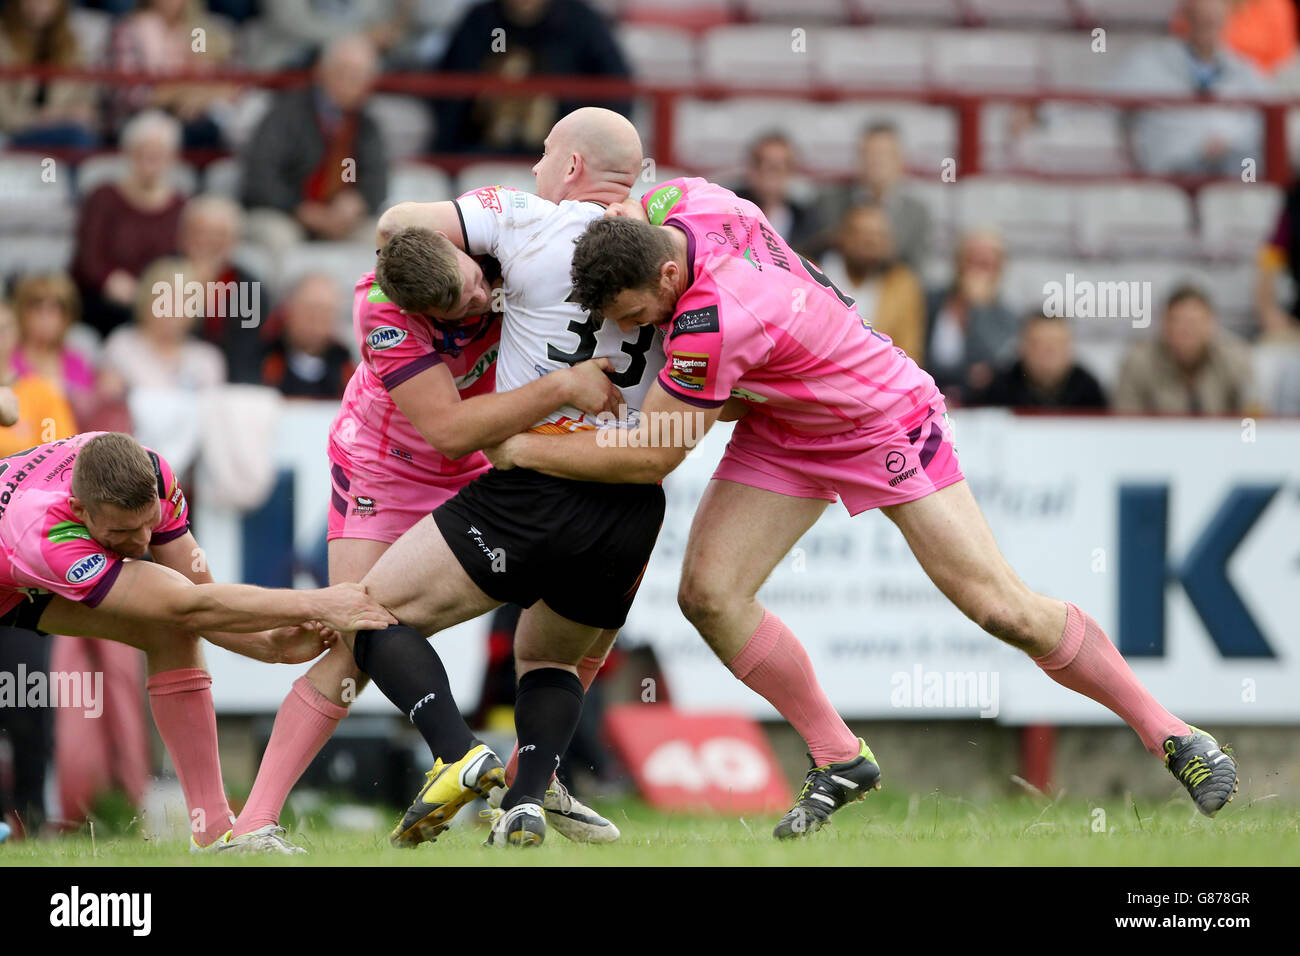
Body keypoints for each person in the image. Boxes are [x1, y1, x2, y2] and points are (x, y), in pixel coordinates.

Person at [490, 177, 1241, 838]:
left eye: (643, 308)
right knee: (710, 597)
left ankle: (1173, 734)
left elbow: (655, 453)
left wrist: (520, 448)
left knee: (998, 607)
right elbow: (639, 200)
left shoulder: (714, 321)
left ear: (666, 270)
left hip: (878, 414)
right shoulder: (684, 202)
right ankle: (840, 757)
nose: (646, 324)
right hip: (786, 420)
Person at [227, 225, 625, 852]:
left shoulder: (504, 250)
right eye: (454, 310)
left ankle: (527, 777)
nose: (474, 306)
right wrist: (561, 388)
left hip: (482, 465)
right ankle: (258, 821)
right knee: (356, 628)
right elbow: (448, 430)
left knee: (576, 618)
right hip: (385, 469)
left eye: (474, 291)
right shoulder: (381, 309)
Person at [335, 106, 665, 848]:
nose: (538, 168)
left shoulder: (523, 217)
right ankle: (524, 797)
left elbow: (394, 224)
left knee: (368, 612)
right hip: (631, 505)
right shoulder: (676, 252)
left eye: (546, 153)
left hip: (531, 485)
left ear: (572, 167)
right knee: (550, 657)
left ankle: (458, 751)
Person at [0, 430, 394, 848]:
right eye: (121, 532)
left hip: (17, 557)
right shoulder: (48, 535)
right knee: (169, 612)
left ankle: (214, 833)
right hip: (17, 548)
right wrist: (317, 604)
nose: (141, 543)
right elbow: (188, 605)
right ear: (82, 510)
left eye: (148, 523)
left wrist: (268, 644)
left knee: (169, 629)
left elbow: (199, 596)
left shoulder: (151, 471)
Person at [241, 36, 388, 267]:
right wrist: (303, 210)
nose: (352, 81)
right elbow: (260, 179)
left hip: (341, 220)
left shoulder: (367, 124)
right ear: (321, 71)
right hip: (286, 214)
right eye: (344, 71)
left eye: (361, 75)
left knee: (384, 238)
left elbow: (377, 179)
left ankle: (363, 303)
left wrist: (357, 202)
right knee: (280, 236)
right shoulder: (284, 114)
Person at [433, 0, 631, 155]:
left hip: (565, 157)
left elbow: (618, 91)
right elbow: (447, 94)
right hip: (478, 151)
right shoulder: (479, 22)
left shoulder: (583, 23)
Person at [1112, 0, 1272, 176]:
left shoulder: (1245, 71)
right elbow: (1106, 108)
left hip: (1233, 169)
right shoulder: (1147, 64)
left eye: (1214, 22)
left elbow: (1268, 122)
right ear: (1187, 19)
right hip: (1173, 170)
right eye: (1202, 21)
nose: (1208, 29)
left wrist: (1230, 142)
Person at [71, 110, 187, 338]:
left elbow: (180, 260)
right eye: (143, 153)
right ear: (129, 154)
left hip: (159, 302)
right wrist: (109, 281)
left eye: (159, 154)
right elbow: (88, 257)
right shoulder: (103, 196)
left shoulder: (181, 206)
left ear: (173, 157)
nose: (150, 162)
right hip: (103, 299)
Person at [110, 0, 236, 148]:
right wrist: (178, 94)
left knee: (212, 127)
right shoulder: (131, 29)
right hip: (146, 115)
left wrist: (197, 97)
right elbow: (131, 94)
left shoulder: (197, 31)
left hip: (192, 110)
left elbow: (203, 72)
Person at [1114, 284, 1255, 414]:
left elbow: (1252, 419)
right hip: (1154, 440)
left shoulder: (1236, 359)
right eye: (1178, 322)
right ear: (1164, 325)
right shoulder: (1138, 363)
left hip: (1224, 440)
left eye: (1194, 322)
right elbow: (1126, 422)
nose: (1186, 331)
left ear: (1211, 324)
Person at [811, 122, 930, 271]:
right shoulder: (829, 204)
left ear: (900, 161)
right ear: (858, 158)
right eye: (870, 154)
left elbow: (917, 270)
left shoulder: (916, 213)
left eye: (884, 155)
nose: (877, 162)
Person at [924, 229, 1021, 405]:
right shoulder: (930, 302)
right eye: (971, 261)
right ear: (958, 263)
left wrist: (977, 309)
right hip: (925, 399)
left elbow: (988, 370)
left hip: (977, 408)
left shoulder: (1007, 318)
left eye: (985, 264)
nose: (977, 271)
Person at [819, 204, 926, 364]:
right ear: (841, 236)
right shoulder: (813, 272)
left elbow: (909, 354)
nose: (870, 242)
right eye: (861, 234)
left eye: (879, 236)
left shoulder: (903, 285)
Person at [177, 195, 266, 384]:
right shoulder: (161, 277)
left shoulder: (250, 289)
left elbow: (246, 353)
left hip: (228, 385)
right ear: (183, 236)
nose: (208, 241)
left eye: (218, 234)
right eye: (200, 232)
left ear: (233, 241)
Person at [0, 0, 98, 148]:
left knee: (84, 137)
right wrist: (42, 119)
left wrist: (67, 115)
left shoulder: (71, 45)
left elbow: (85, 102)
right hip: (15, 133)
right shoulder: (4, 43)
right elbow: (6, 116)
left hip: (61, 128)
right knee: (78, 138)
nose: (38, 4)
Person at [970, 313, 1108, 410]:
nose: (1048, 353)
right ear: (1022, 347)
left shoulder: (1089, 390)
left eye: (1056, 344)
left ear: (1069, 348)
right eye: (1038, 344)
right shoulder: (999, 389)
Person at [7, 274, 93, 428]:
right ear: (21, 312)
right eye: (36, 307)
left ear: (67, 316)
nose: (45, 317)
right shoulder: (8, 358)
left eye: (55, 309)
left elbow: (87, 412)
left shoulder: (76, 362)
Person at [257, 273, 354, 400]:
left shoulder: (347, 372)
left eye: (326, 312)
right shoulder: (263, 361)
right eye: (309, 310)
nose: (317, 320)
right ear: (289, 311)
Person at [733, 132, 821, 252]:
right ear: (750, 168)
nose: (769, 174)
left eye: (777, 167)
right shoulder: (730, 212)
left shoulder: (806, 221)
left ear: (791, 171)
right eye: (761, 163)